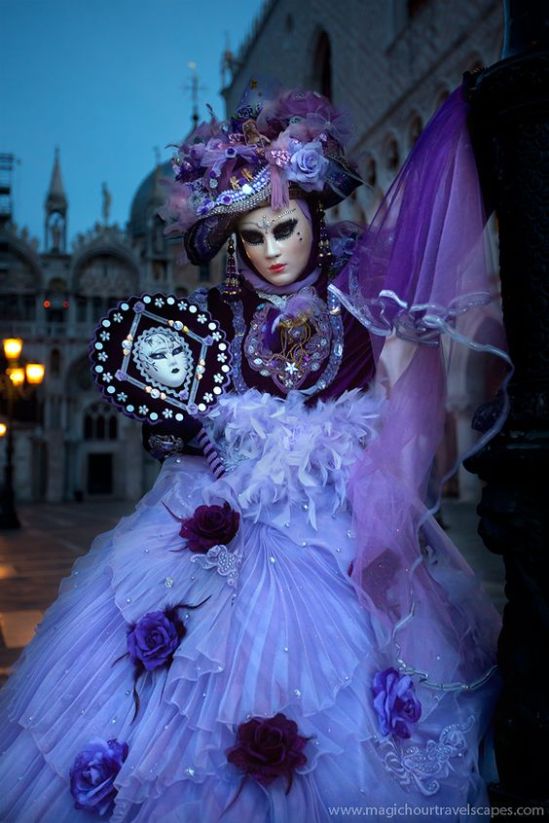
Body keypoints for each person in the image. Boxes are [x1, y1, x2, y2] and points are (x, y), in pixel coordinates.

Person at [0, 81, 509, 821]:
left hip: (330, 521)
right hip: (228, 519)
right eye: (253, 237)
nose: (272, 251)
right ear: (232, 243)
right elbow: (181, 409)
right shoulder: (215, 314)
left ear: (311, 217)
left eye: (285, 228)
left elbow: (429, 254)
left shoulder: (357, 295)